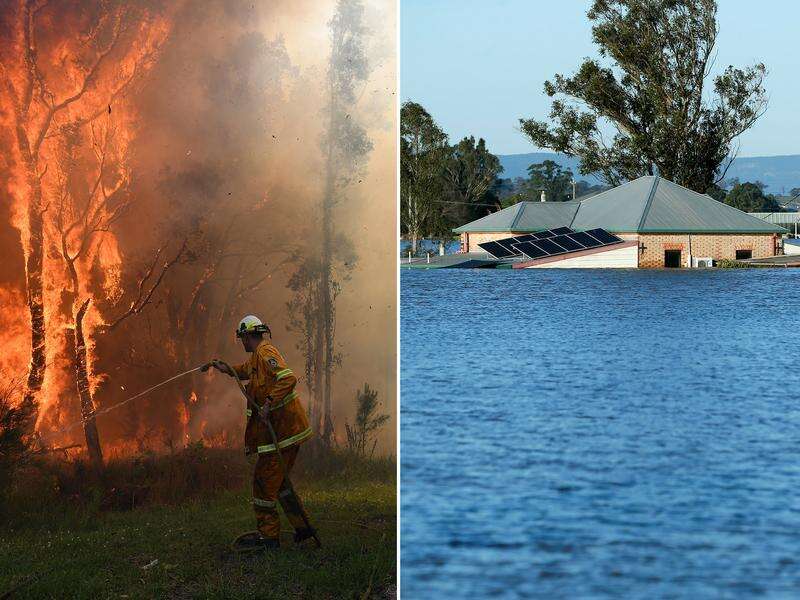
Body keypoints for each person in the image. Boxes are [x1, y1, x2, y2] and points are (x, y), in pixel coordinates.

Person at [205, 315, 314, 550]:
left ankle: (269, 538)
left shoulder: (265, 352)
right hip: (284, 433)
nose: (241, 342)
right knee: (280, 483)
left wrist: (267, 404)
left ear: (247, 335)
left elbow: (288, 378)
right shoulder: (256, 358)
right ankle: (302, 528)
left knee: (263, 483)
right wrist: (224, 368)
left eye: (241, 337)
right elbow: (244, 371)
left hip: (284, 432)